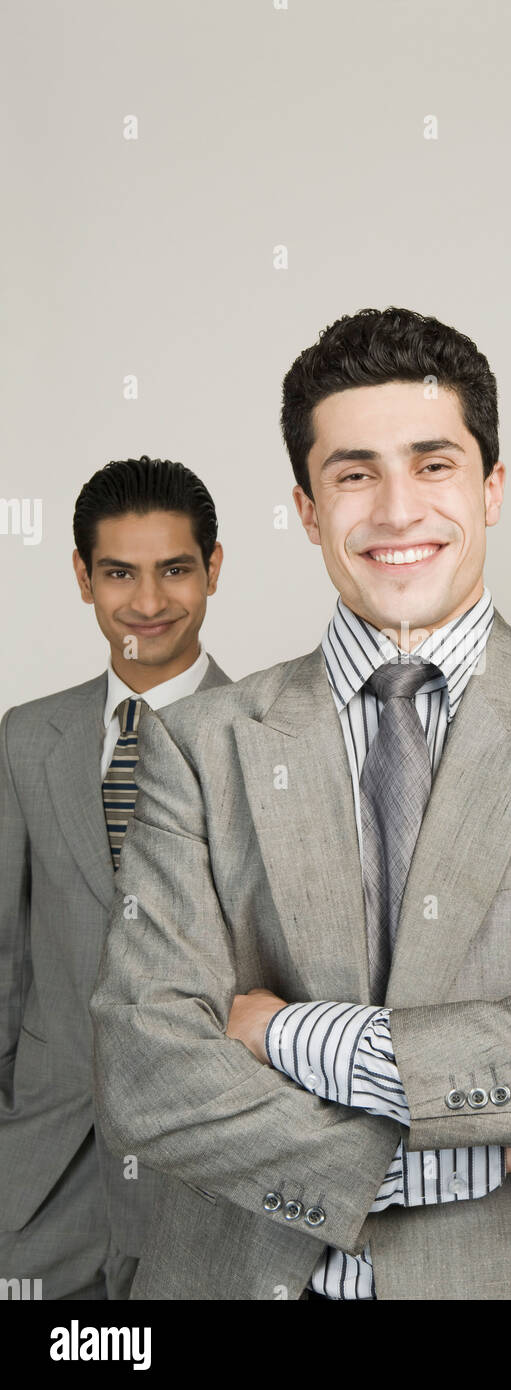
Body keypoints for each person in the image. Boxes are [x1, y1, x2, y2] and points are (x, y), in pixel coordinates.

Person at [91, 312, 511, 1301]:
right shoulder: (197, 744)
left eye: (432, 464)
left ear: (492, 487)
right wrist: (465, 1150)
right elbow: (146, 1070)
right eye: (353, 473)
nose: (395, 509)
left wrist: (282, 1034)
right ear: (306, 506)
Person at [0, 456, 230, 1299]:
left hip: (207, 1178)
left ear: (213, 568)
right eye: (118, 573)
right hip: (42, 1173)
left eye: (174, 569)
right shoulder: (28, 737)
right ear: (82, 577)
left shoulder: (267, 739)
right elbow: (5, 958)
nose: (147, 601)